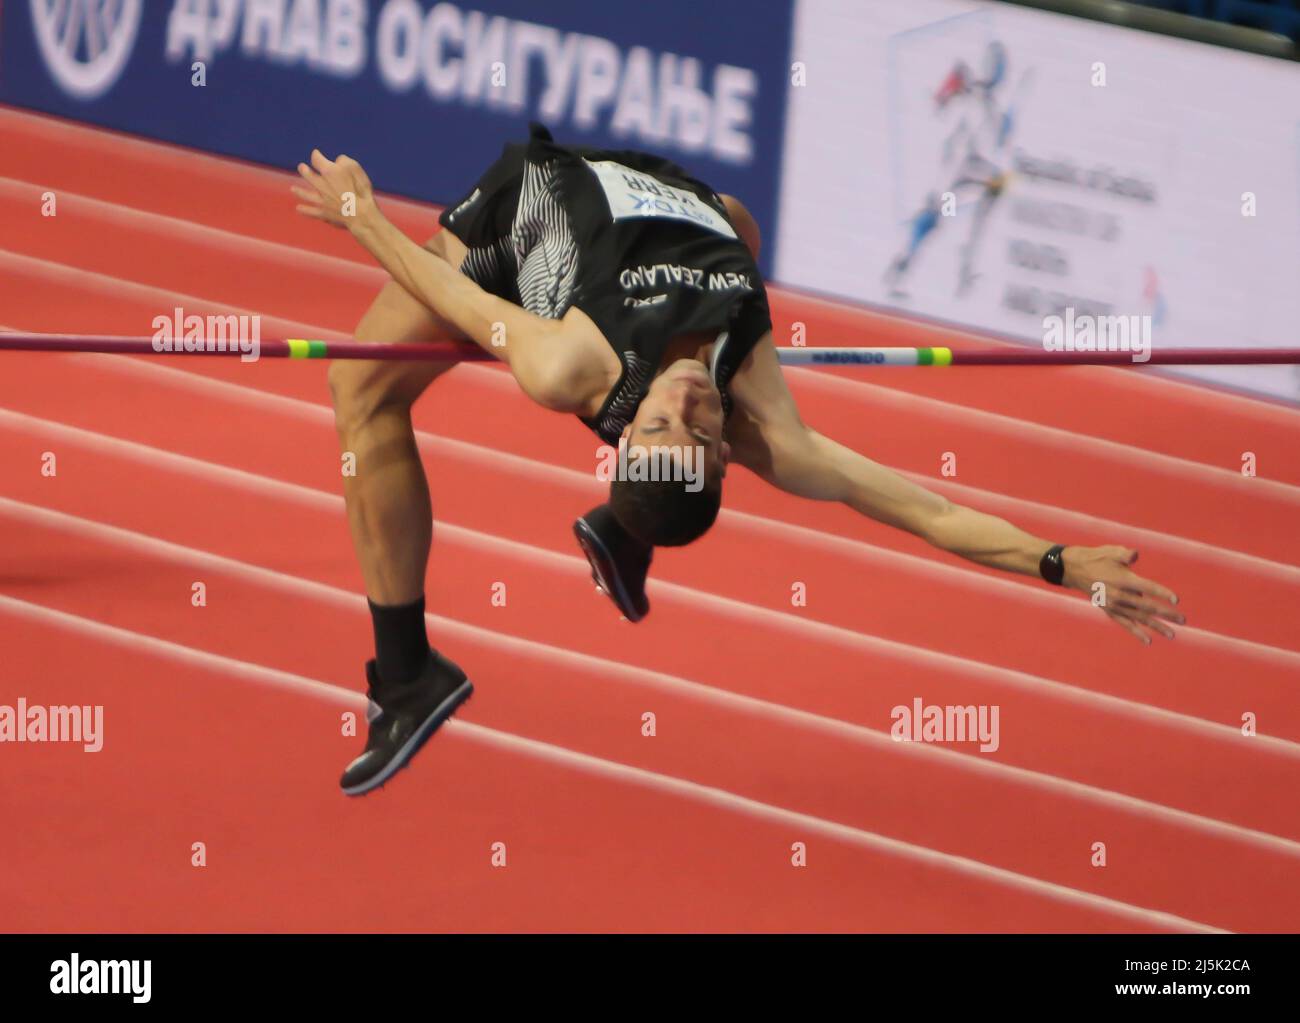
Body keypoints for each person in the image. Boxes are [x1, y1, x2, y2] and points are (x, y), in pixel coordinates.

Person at [293, 124, 1183, 797]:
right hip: (680, 200)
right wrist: (1064, 564)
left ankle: (407, 674)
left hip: (530, 215)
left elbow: (452, 292)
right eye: (698, 431)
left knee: (361, 392)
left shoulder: (569, 364)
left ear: (622, 440)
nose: (686, 402)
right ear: (727, 459)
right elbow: (927, 511)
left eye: (660, 427)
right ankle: (628, 525)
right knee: (740, 228)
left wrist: (360, 217)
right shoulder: (765, 422)